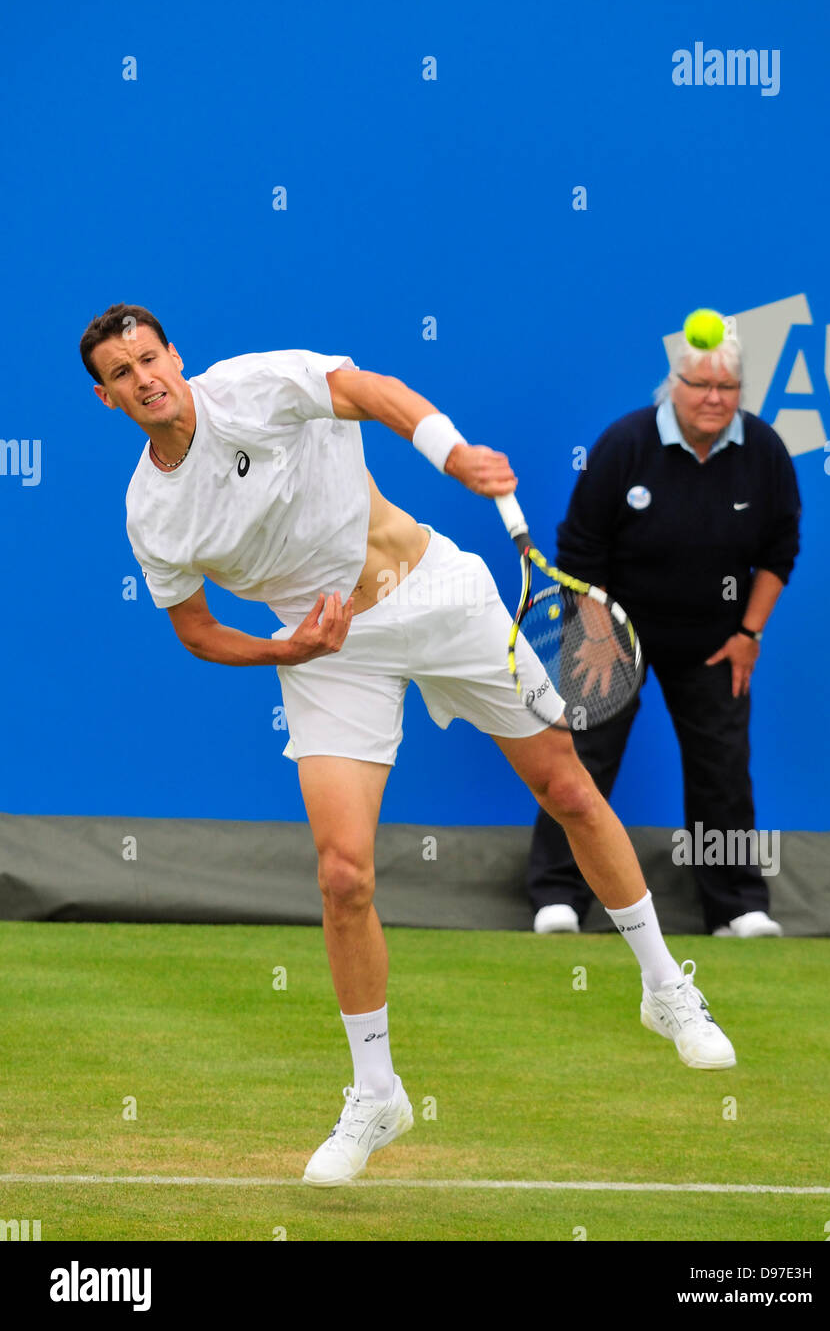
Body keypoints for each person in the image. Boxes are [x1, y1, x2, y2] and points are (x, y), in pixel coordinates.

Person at [80, 303, 738, 1188]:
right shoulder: (152, 511)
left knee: (571, 792)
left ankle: (666, 989)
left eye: (151, 358)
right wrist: (285, 650)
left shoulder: (252, 387)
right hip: (326, 652)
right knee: (343, 874)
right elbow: (195, 629)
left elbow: (370, 390)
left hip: (436, 597)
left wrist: (451, 453)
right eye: (123, 374)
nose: (144, 379)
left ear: (175, 356)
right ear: (106, 396)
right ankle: (376, 1092)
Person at [528, 315, 800, 941]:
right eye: (700, 383)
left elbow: (780, 550)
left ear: (740, 392)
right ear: (672, 384)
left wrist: (749, 634)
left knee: (723, 769)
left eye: (727, 387)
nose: (714, 397)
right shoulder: (625, 444)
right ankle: (558, 896)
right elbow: (580, 549)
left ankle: (735, 907)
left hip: (713, 636)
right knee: (582, 760)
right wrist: (596, 634)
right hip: (610, 628)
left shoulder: (763, 452)